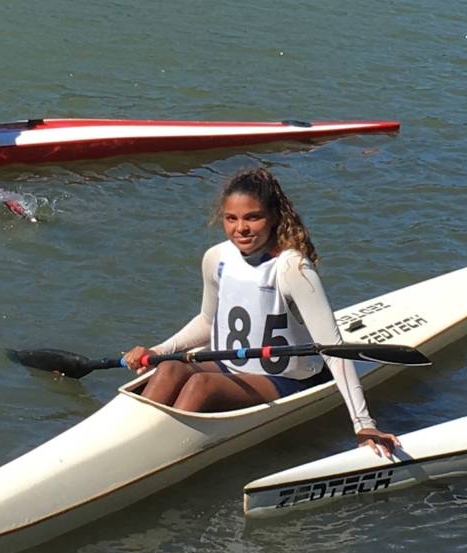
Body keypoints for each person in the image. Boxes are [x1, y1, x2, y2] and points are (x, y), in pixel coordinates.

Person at [122, 168, 400, 456]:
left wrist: (363, 423)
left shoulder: (293, 268)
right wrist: (158, 350)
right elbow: (208, 321)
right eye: (231, 218)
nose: (240, 228)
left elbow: (332, 348)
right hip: (230, 366)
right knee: (169, 368)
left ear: (273, 218)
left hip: (289, 379)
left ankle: (152, 457)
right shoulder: (216, 258)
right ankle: (124, 443)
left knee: (200, 385)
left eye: (252, 217)